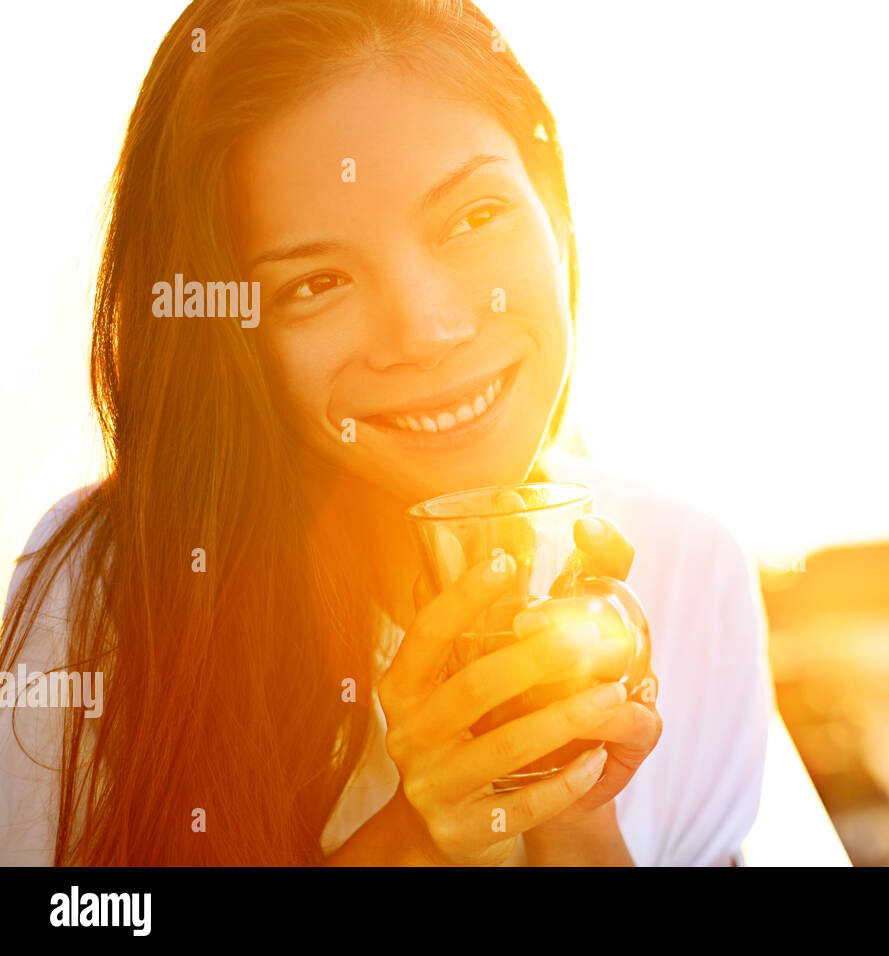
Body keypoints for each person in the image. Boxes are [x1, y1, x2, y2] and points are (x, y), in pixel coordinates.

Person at [0, 0, 773, 866]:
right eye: (316, 283)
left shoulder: (692, 567)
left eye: (474, 219)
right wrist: (415, 840)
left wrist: (571, 811)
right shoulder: (106, 589)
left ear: (556, 210)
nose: (429, 332)